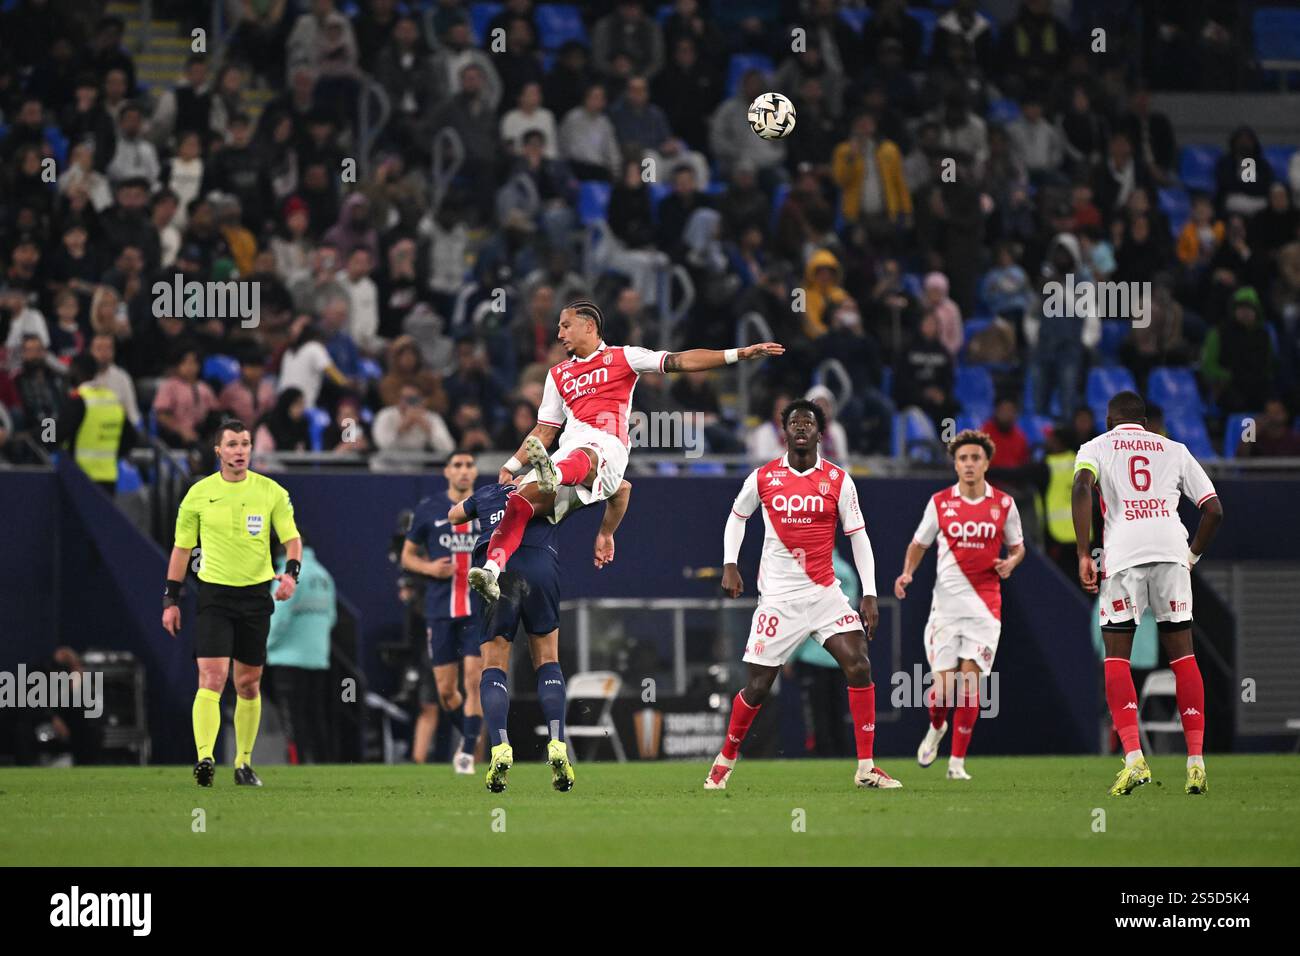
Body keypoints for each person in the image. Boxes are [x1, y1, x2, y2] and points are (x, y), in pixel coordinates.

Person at [469, 299, 782, 602]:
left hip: (607, 448)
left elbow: (679, 360)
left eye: (565, 326)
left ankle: (555, 474)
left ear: (589, 326)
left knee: (586, 452)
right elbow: (545, 431)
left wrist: (738, 353)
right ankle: (490, 571)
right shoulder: (558, 375)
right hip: (568, 456)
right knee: (520, 503)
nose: (559, 334)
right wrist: (511, 466)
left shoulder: (624, 357)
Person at [706, 400, 898, 791]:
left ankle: (866, 767)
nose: (800, 428)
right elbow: (736, 517)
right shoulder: (763, 477)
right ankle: (724, 762)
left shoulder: (839, 480)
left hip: (825, 593)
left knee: (859, 664)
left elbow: (858, 536)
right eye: (794, 422)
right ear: (784, 431)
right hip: (778, 597)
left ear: (819, 432)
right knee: (758, 687)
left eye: (808, 422)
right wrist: (730, 563)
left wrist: (871, 593)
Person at [1072, 391, 1223, 796]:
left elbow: (1082, 488)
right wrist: (1190, 556)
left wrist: (1084, 552)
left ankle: (1135, 759)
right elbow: (1214, 509)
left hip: (1124, 556)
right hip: (1172, 551)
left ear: (1110, 420)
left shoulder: (1096, 447)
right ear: (1144, 422)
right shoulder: (1174, 449)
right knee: (1184, 656)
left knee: (1116, 656)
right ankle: (1196, 764)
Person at [454, 475, 632, 793]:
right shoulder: (552, 488)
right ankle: (557, 743)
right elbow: (622, 488)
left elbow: (455, 515)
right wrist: (606, 532)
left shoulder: (488, 494)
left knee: (494, 664)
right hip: (540, 565)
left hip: (497, 566)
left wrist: (482, 505)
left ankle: (500, 746)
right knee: (548, 659)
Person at [162, 419, 303, 788]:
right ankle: (205, 758)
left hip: (256, 596)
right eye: (232, 444)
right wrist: (171, 599)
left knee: (248, 684)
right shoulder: (198, 494)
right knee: (211, 677)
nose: (240, 451)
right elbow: (181, 549)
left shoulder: (271, 491)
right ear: (218, 451)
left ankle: (243, 763)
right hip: (214, 595)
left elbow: (291, 540)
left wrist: (291, 575)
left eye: (245, 444)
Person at [894, 430, 1025, 780]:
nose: (969, 464)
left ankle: (956, 763)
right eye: (963, 458)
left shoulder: (1004, 504)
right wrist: (907, 573)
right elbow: (919, 543)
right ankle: (936, 728)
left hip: (986, 608)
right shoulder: (940, 503)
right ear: (955, 464)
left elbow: (1017, 547)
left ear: (986, 463)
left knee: (970, 687)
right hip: (947, 609)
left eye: (975, 458)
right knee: (943, 691)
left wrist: (1011, 563)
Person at [401, 451, 484, 773]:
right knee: (447, 692)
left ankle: (466, 753)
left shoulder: (488, 506)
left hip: (478, 607)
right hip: (440, 609)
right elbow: (408, 557)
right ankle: (471, 737)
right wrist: (429, 568)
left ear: (475, 472)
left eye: (469, 465)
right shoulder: (428, 510)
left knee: (474, 680)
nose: (464, 471)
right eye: (458, 465)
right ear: (447, 471)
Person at [265, 543, 336, 764]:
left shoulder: (289, 575)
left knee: (292, 719)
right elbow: (331, 617)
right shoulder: (324, 575)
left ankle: (298, 765)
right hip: (317, 658)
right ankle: (323, 766)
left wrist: (261, 646)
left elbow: (278, 618)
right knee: (316, 716)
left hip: (287, 659)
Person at [57, 353, 138, 495]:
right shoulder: (111, 399)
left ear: (76, 370)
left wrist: (45, 422)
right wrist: (112, 455)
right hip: (108, 479)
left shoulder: (79, 400)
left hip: (79, 477)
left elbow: (55, 434)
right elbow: (131, 437)